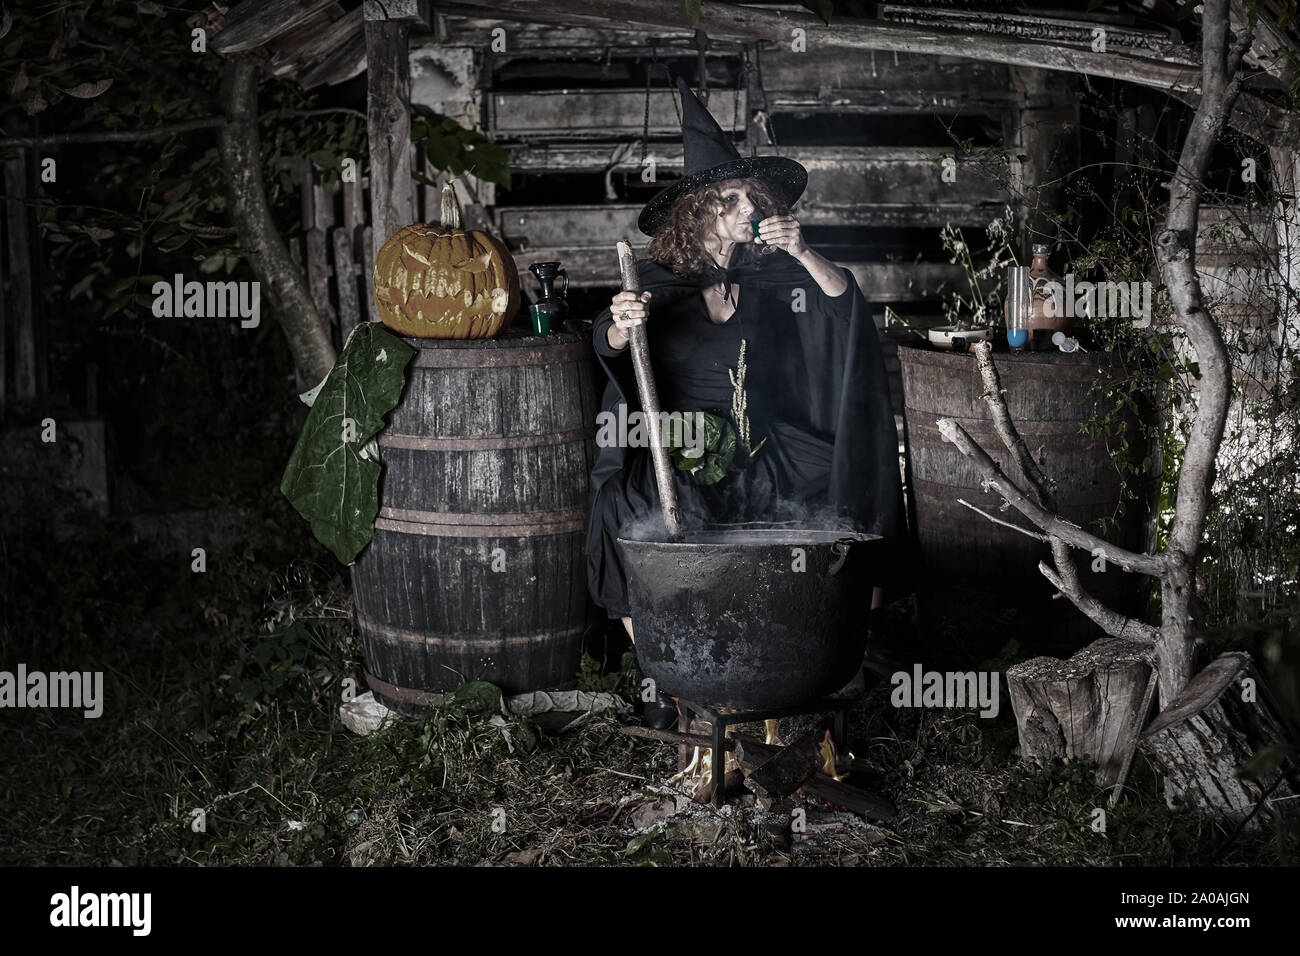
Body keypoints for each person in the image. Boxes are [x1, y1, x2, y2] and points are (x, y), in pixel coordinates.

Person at [586, 78, 905, 688]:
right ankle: (669, 673)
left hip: (764, 446)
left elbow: (844, 311)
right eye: (730, 198)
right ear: (698, 209)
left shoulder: (771, 278)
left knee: (846, 477)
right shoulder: (660, 278)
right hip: (684, 446)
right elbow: (609, 337)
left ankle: (818, 655)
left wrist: (807, 254)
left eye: (750, 197)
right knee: (628, 508)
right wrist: (624, 325)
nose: (748, 209)